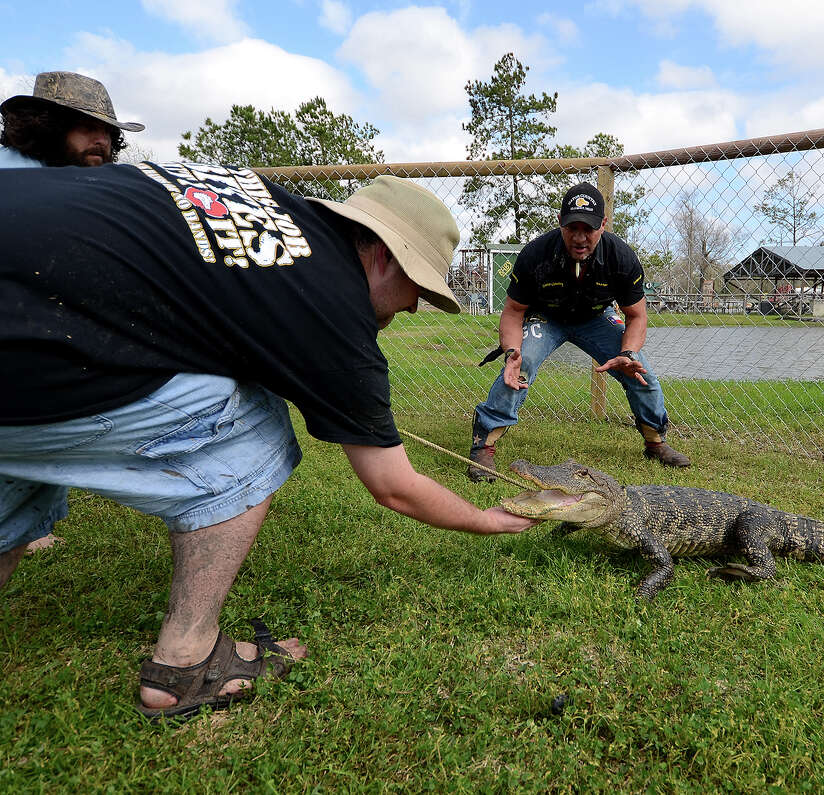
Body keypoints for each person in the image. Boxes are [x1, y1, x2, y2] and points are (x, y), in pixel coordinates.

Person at [0, 164, 535, 719]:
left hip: (28, 301)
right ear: (382, 255)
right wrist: (488, 520)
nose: (413, 307)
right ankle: (185, 664)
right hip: (33, 340)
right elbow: (394, 486)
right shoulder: (333, 303)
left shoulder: (274, 210)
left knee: (24, 442)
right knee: (255, 432)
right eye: (418, 287)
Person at [1, 72, 145, 554]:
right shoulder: (16, 177)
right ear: (44, 125)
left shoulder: (69, 181)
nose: (101, 139)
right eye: (85, 126)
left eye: (107, 130)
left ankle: (23, 528)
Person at [467, 182, 690, 482]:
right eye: (573, 227)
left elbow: (636, 316)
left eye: (590, 228)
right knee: (522, 363)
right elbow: (513, 312)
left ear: (603, 225)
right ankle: (484, 443)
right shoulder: (535, 254)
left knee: (640, 373)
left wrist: (627, 353)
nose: (580, 238)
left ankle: (655, 442)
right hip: (546, 317)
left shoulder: (621, 257)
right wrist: (510, 353)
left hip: (596, 318)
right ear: (560, 223)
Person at [0, 70, 143, 168]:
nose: (104, 141)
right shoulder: (14, 174)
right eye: (89, 127)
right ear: (49, 129)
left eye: (108, 132)